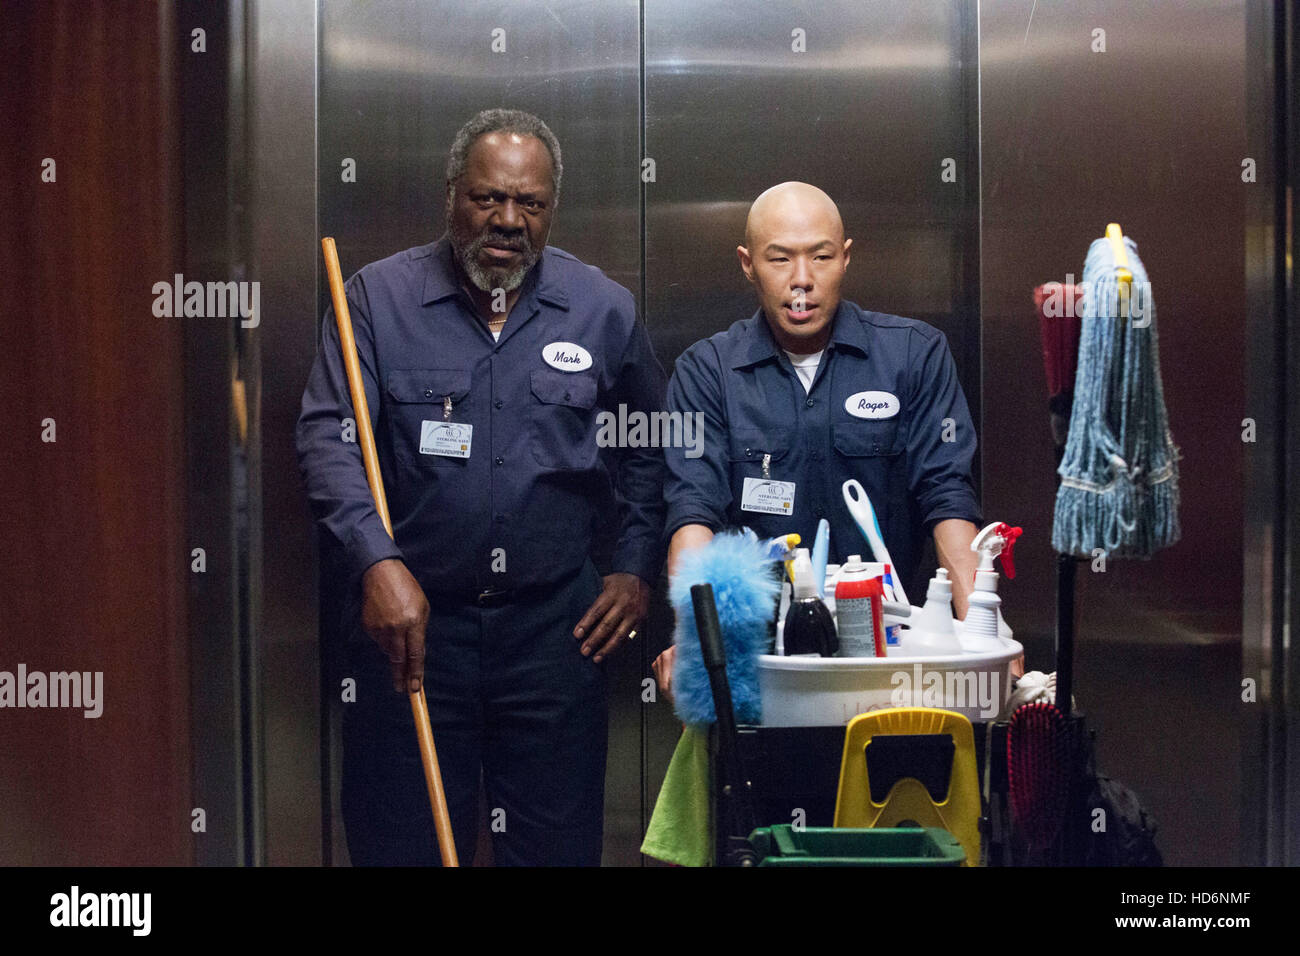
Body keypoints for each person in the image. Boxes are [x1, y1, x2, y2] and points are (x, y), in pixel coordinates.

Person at [296, 109, 667, 866]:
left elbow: (651, 451)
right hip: (413, 633)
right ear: (452, 195)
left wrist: (632, 569)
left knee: (555, 851)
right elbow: (327, 442)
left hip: (558, 639)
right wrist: (377, 563)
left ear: (550, 208)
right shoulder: (373, 300)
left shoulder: (604, 309)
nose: (507, 220)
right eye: (487, 198)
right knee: (403, 845)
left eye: (529, 203)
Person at [653, 181, 1015, 696]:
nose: (803, 281)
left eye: (820, 257)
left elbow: (947, 498)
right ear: (747, 263)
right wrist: (696, 639)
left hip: (900, 652)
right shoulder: (706, 371)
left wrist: (985, 634)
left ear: (845, 258)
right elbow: (694, 516)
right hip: (762, 658)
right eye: (780, 259)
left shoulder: (914, 355)